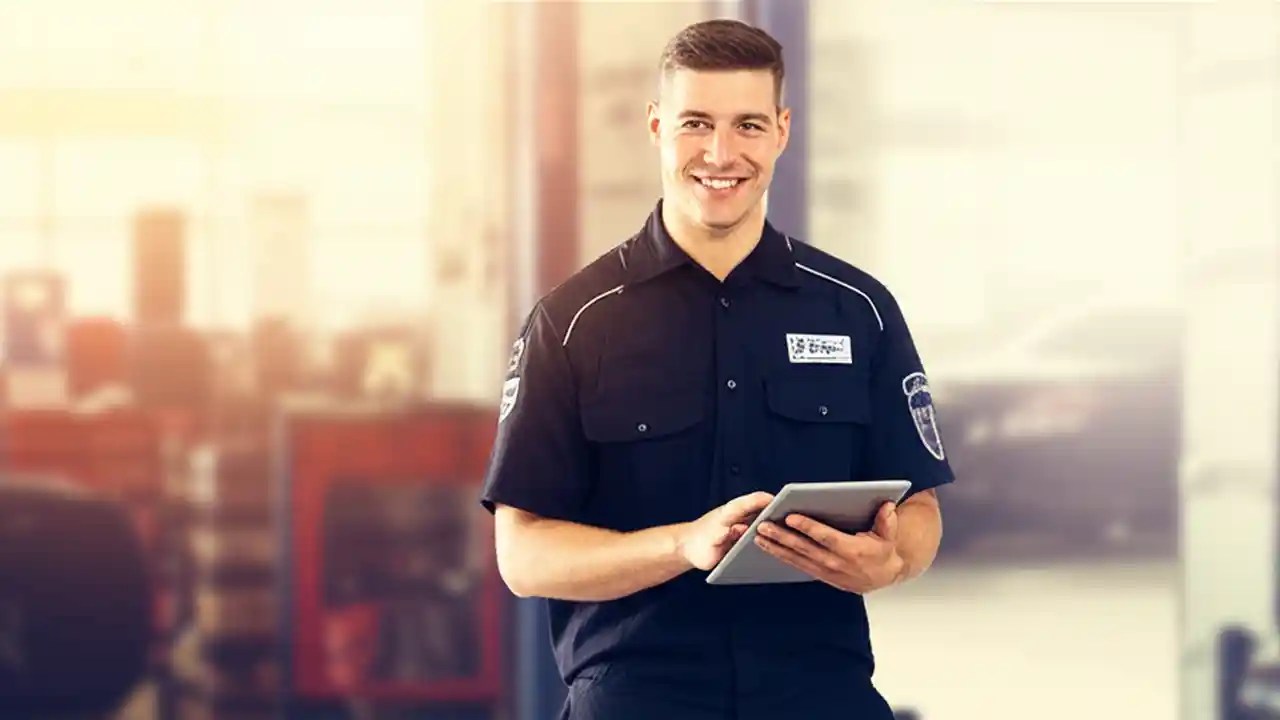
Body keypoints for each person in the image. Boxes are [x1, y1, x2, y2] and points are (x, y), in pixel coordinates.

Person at [480, 18, 954, 720]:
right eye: (695, 123)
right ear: (656, 127)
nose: (721, 153)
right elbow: (523, 556)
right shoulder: (573, 321)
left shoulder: (859, 311)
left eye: (748, 126)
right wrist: (682, 545)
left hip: (820, 694)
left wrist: (892, 560)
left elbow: (920, 510)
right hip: (639, 699)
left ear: (782, 131)